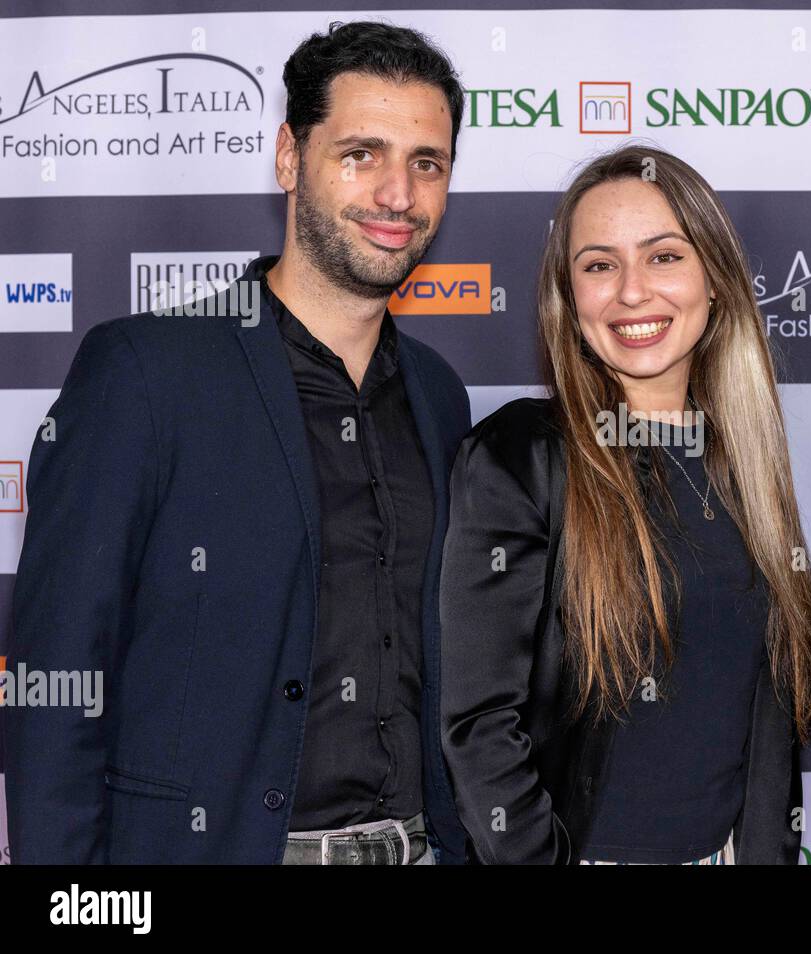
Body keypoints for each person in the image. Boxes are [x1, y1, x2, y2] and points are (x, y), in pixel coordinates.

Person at [5, 21, 472, 865]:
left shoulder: (440, 396)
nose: (398, 194)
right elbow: (56, 686)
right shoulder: (144, 372)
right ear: (290, 157)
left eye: (426, 162)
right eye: (361, 153)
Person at [439, 145, 811, 864]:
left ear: (716, 280)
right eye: (598, 264)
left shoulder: (743, 463)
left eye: (664, 257)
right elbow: (480, 724)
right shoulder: (522, 457)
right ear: (569, 297)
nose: (632, 291)